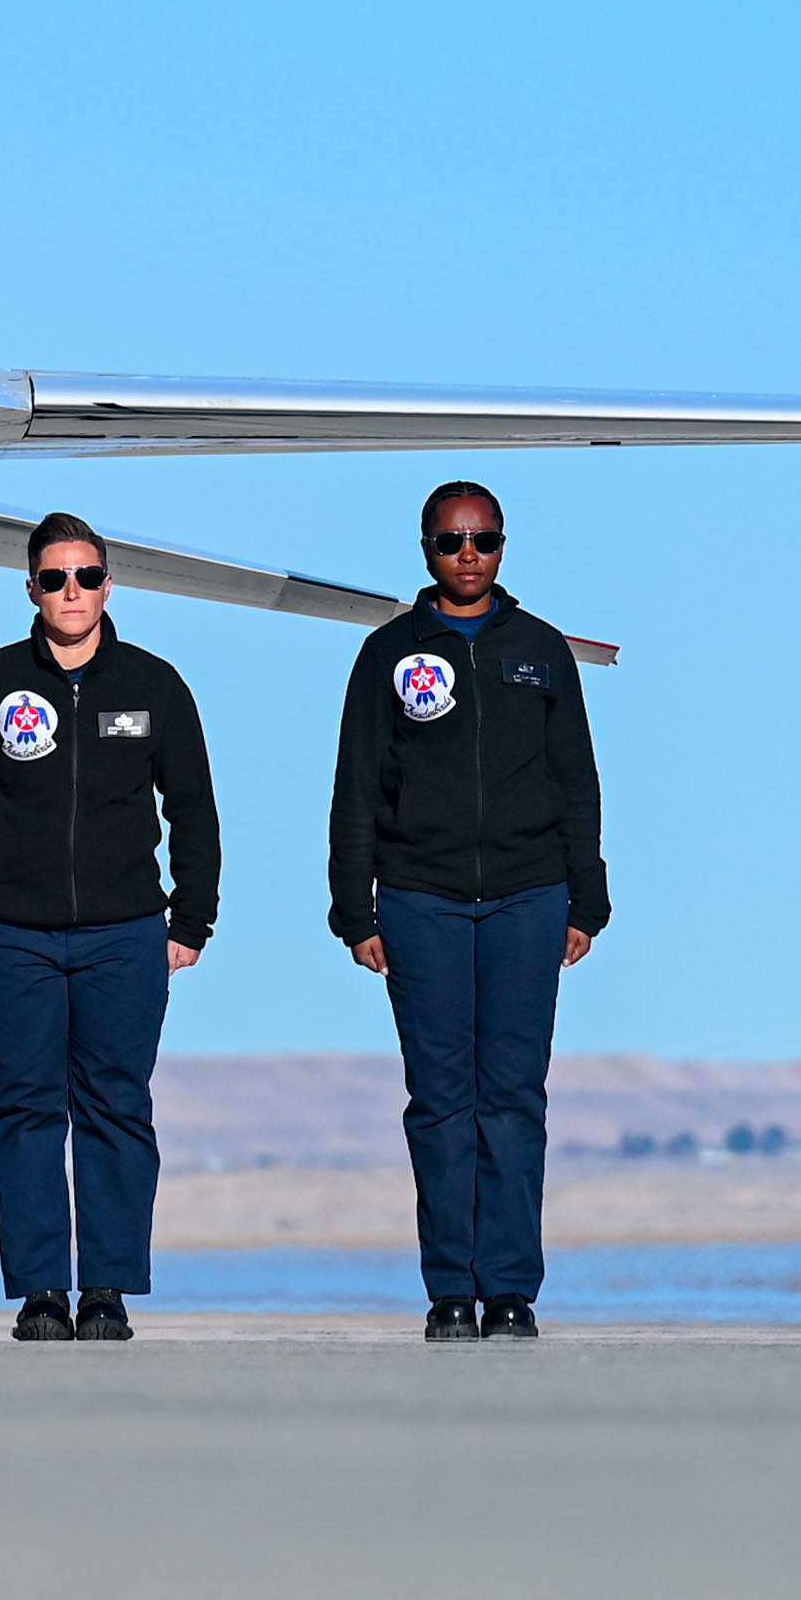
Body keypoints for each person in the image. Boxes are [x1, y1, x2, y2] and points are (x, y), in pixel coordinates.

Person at [0, 512, 219, 1339]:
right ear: (32, 590)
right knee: (23, 1110)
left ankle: (108, 1291)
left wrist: (191, 919)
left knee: (117, 1107)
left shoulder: (153, 687)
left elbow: (193, 811)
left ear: (109, 586)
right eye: (55, 579)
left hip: (128, 935)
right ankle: (42, 1291)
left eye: (85, 577)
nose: (71, 592)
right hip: (12, 937)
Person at [330, 480, 607, 1340]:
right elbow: (356, 789)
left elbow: (577, 781)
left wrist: (585, 899)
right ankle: (452, 1289)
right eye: (452, 542)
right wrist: (356, 909)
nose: (468, 556)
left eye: (483, 540)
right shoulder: (388, 655)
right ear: (426, 550)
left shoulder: (541, 651)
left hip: (530, 897)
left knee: (515, 1099)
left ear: (503, 545)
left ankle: (513, 1291)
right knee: (443, 1101)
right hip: (421, 904)